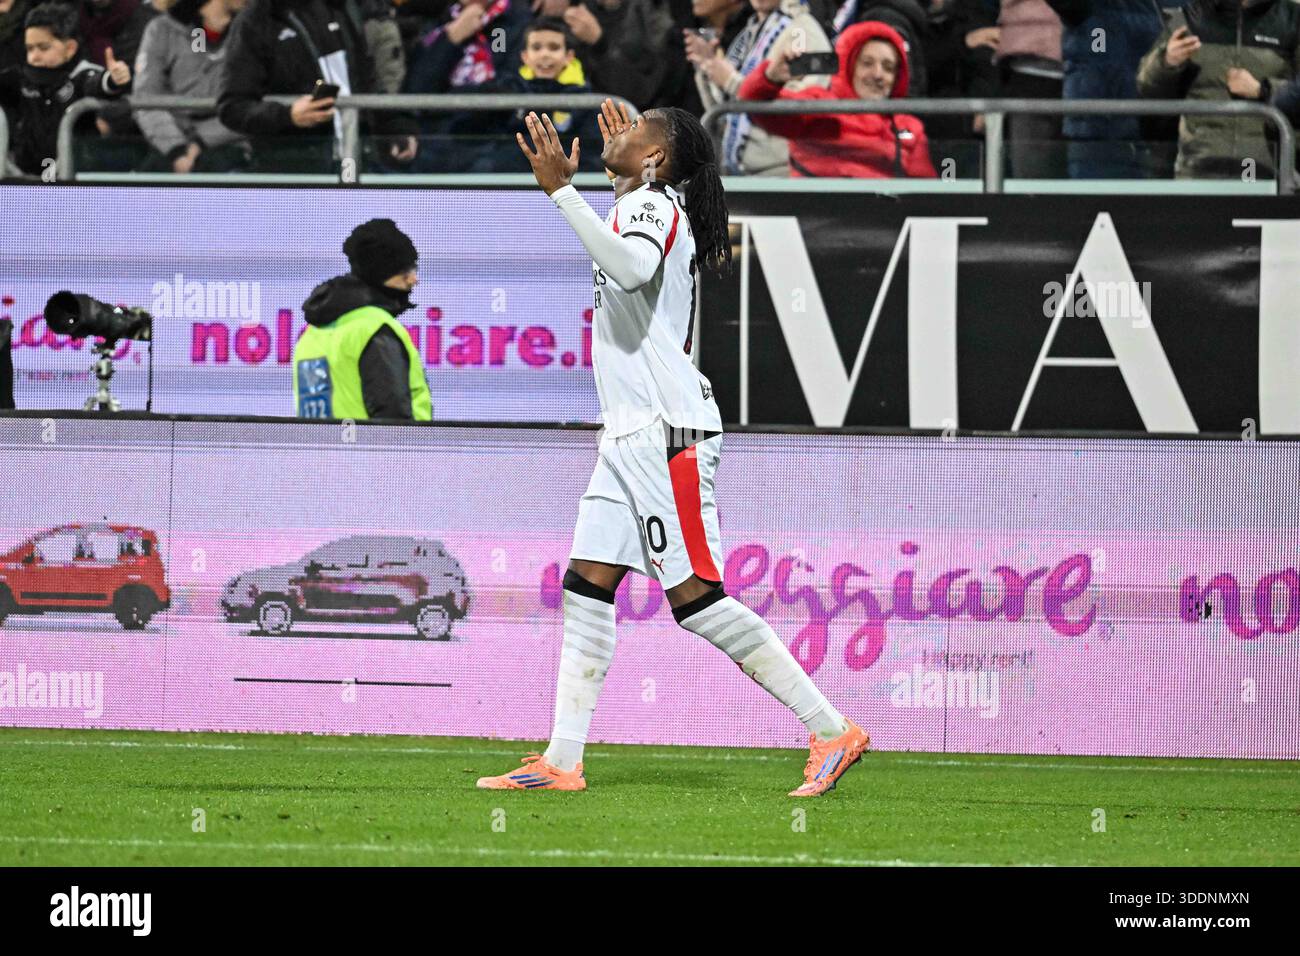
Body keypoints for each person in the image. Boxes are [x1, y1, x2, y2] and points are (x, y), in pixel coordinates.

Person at [477, 99, 871, 796]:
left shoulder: (653, 203)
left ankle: (831, 729)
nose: (619, 132)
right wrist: (605, 190)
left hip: (666, 432)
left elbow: (629, 270)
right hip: (628, 434)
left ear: (657, 160)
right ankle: (561, 761)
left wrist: (563, 194)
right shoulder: (642, 201)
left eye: (637, 130)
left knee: (696, 600)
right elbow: (630, 261)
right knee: (587, 586)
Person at [217, 0, 418, 173]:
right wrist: (288, 115)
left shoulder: (342, 7)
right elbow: (233, 107)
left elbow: (365, 80)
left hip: (355, 162)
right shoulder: (256, 21)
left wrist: (395, 127)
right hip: (296, 172)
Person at [738, 19, 937, 177]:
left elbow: (929, 196)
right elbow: (754, 106)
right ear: (849, 67)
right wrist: (770, 77)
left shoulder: (910, 128)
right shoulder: (818, 106)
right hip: (815, 220)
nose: (878, 74)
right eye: (867, 63)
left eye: (888, 67)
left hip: (887, 222)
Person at [1138, 0, 1300, 179]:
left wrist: (1263, 90)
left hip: (1268, 172)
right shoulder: (1191, 17)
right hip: (1200, 170)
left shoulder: (1292, 19)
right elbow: (1146, 87)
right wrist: (1167, 62)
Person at [292, 219, 433, 421]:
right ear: (381, 273)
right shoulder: (374, 330)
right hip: (379, 452)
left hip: (319, 451)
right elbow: (394, 421)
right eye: (404, 271)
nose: (413, 279)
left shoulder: (311, 335)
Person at [432, 16, 604, 172]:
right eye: (536, 48)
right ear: (525, 57)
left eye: (554, 48)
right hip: (509, 186)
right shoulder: (507, 90)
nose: (544, 55)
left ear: (568, 56)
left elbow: (591, 154)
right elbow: (466, 131)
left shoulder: (583, 101)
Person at [684, 0, 831, 175]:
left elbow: (801, 112)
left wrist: (731, 81)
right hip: (739, 172)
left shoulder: (803, 31)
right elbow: (726, 111)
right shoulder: (752, 30)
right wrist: (708, 68)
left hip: (782, 175)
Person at [0, 1, 131, 176]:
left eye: (43, 48)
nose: (34, 56)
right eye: (29, 48)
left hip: (74, 179)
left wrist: (114, 79)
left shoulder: (82, 74)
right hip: (24, 178)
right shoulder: (20, 78)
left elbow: (98, 84)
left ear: (70, 48)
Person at [134, 0, 251, 173]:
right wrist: (177, 149)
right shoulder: (163, 29)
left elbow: (254, 105)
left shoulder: (252, 30)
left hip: (228, 144)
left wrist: (200, 141)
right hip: (169, 142)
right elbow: (145, 100)